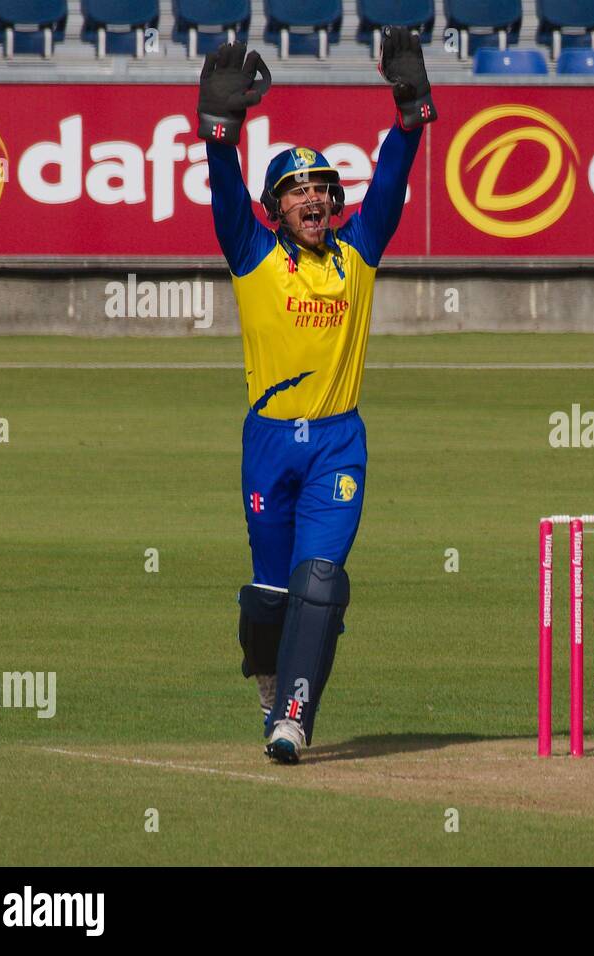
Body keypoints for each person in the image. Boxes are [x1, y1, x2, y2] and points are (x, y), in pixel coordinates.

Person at [196, 32, 436, 763]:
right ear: (276, 205)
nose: (315, 198)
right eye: (299, 189)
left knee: (321, 582)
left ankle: (293, 718)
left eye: (324, 188)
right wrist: (219, 133)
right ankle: (268, 677)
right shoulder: (253, 254)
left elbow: (391, 183)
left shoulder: (358, 254)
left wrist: (409, 116)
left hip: (338, 440)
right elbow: (226, 195)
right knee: (271, 596)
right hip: (268, 444)